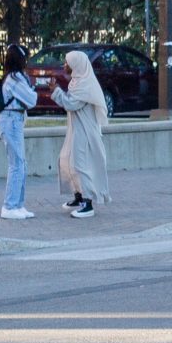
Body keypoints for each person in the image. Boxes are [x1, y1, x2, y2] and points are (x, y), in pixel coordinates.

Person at [54, 48, 110, 218]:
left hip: (85, 133)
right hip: (76, 129)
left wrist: (56, 92)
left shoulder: (86, 85)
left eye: (68, 63)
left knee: (80, 165)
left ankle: (88, 203)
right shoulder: (77, 83)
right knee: (67, 161)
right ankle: (78, 195)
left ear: (76, 65)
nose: (65, 65)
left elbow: (72, 104)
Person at [0, 45, 37, 220]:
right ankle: (9, 206)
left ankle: (18, 204)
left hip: (14, 120)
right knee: (16, 163)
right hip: (10, 120)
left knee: (21, 163)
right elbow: (32, 100)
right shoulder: (14, 79)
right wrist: (31, 89)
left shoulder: (14, 77)